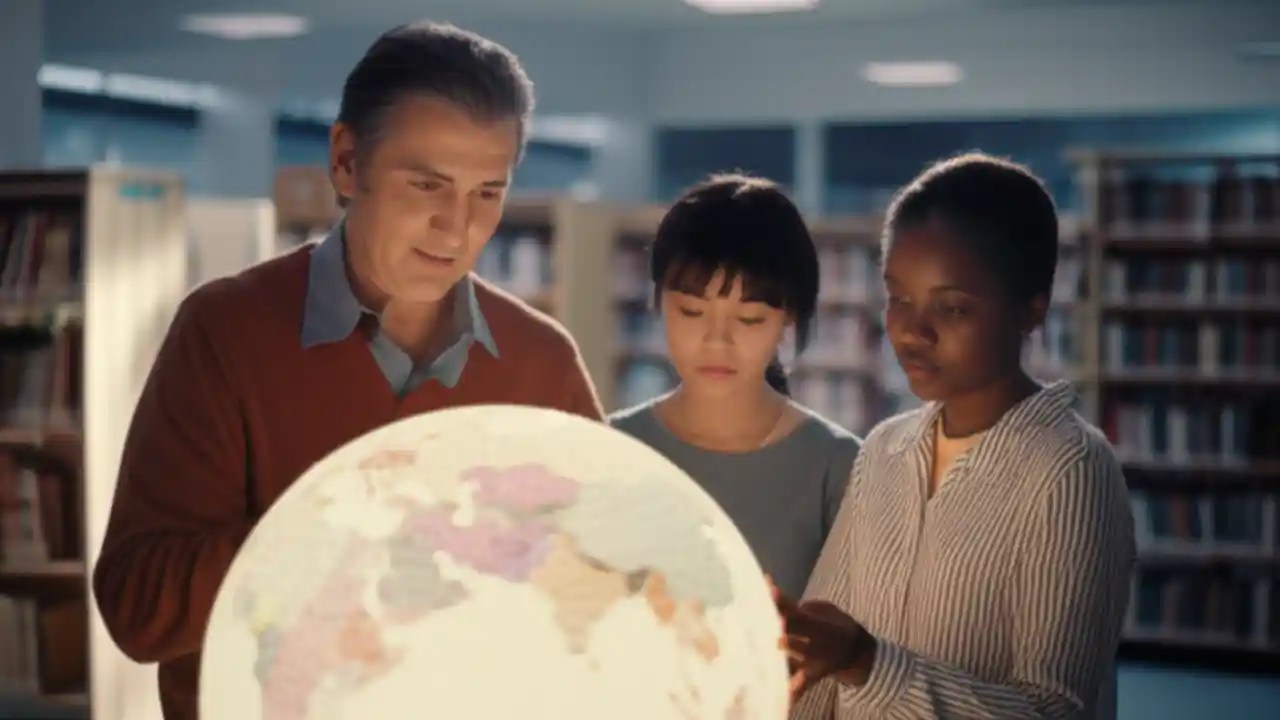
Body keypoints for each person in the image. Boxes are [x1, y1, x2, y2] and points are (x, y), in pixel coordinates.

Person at [92, 22, 603, 720]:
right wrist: (343, 527)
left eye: (488, 192)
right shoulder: (224, 332)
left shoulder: (543, 361)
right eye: (427, 185)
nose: (457, 228)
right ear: (345, 161)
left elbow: (604, 597)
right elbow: (137, 610)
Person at [779, 153, 1135, 719]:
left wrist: (869, 664)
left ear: (1031, 310)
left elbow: (1053, 710)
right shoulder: (883, 452)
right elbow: (819, 661)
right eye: (898, 298)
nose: (913, 331)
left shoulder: (1069, 469)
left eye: (953, 308)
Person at [609, 174, 861, 601]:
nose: (717, 341)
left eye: (749, 319)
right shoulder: (609, 449)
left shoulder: (841, 468)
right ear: (658, 304)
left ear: (788, 319)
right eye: (691, 312)